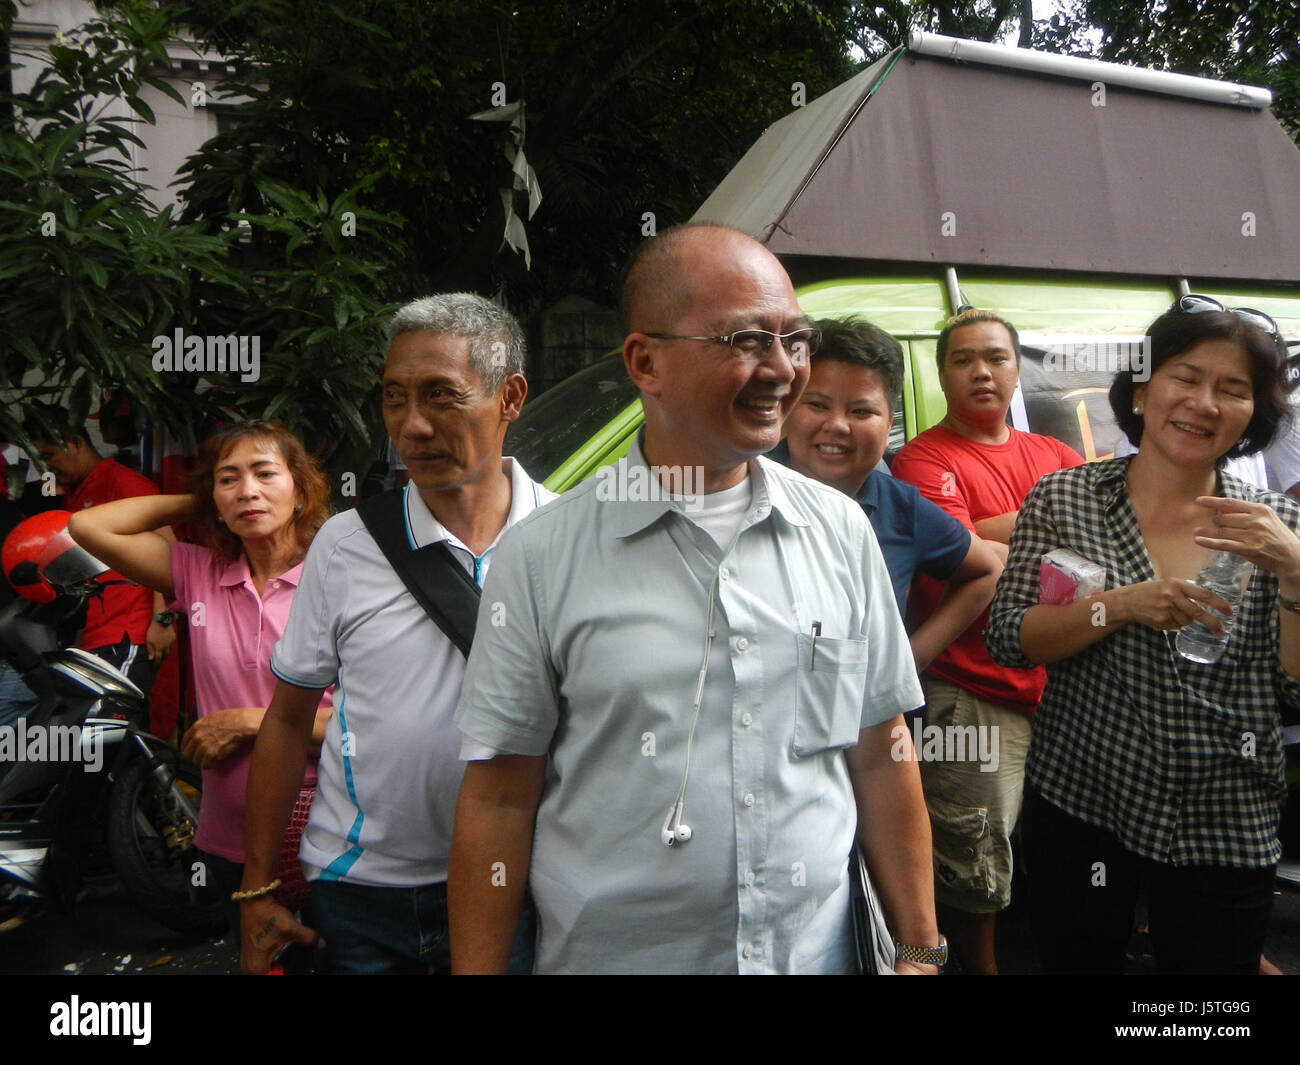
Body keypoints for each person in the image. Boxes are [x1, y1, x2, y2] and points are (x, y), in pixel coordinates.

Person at [449, 224, 941, 975]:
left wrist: (918, 947)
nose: (782, 369)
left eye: (795, 339)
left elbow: (881, 751)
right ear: (645, 361)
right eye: (746, 339)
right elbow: (499, 799)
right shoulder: (543, 556)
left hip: (812, 956)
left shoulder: (840, 530)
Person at [986, 295, 1300, 974]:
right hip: (1083, 797)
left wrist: (1297, 576)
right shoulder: (1064, 498)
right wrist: (1120, 606)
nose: (1204, 402)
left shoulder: (1274, 527)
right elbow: (1013, 638)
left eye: (1233, 388)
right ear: (1142, 386)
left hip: (1224, 812)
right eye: (1186, 377)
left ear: (1256, 410)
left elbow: (1292, 694)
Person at [238, 293, 551, 975]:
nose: (411, 427)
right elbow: (288, 719)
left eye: (441, 396)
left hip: (521, 882)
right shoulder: (346, 545)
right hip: (361, 895)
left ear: (510, 397)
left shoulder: (569, 538)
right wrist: (258, 886)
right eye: (393, 398)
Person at [67, 420, 334, 928]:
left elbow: (372, 721)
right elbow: (87, 529)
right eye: (228, 478)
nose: (247, 490)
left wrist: (251, 721)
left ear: (300, 487)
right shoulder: (200, 571)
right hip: (229, 837)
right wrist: (204, 499)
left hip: (328, 832)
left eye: (264, 474)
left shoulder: (337, 577)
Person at [890, 309, 1084, 974]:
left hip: (1058, 685)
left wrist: (999, 521)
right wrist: (1051, 512)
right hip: (969, 688)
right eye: (963, 358)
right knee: (971, 854)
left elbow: (1093, 536)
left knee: (1052, 847)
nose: (981, 371)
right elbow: (961, 548)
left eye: (996, 357)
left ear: (1016, 368)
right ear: (942, 372)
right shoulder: (921, 458)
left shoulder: (1054, 453)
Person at [773, 315, 1001, 669]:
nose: (836, 425)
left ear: (888, 425)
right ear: (787, 408)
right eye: (817, 405)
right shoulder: (743, 483)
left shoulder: (899, 505)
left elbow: (985, 570)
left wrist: (908, 662)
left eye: (861, 411)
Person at [28, 405, 175, 703]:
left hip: (130, 633)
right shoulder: (72, 491)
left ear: (76, 443)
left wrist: (164, 620)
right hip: (95, 637)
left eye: (49, 456)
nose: (47, 467)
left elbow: (171, 549)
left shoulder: (124, 482)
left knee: (112, 731)